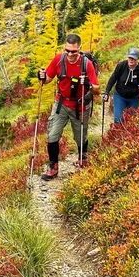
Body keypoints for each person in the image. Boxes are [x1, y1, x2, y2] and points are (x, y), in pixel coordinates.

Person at [37, 33, 98, 180]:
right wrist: (42, 77)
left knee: (80, 137)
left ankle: (82, 159)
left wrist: (88, 83)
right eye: (67, 50)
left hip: (80, 104)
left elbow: (97, 89)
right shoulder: (59, 60)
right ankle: (53, 167)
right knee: (52, 134)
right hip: (62, 103)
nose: (70, 54)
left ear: (79, 49)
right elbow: (48, 79)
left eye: (73, 51)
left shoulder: (86, 64)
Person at [103, 47, 139, 124]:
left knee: (131, 121)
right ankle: (117, 135)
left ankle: (125, 135)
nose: (131, 60)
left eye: (133, 58)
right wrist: (106, 92)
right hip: (119, 96)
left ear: (138, 59)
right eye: (130, 57)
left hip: (134, 98)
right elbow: (113, 79)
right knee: (118, 120)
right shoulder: (121, 66)